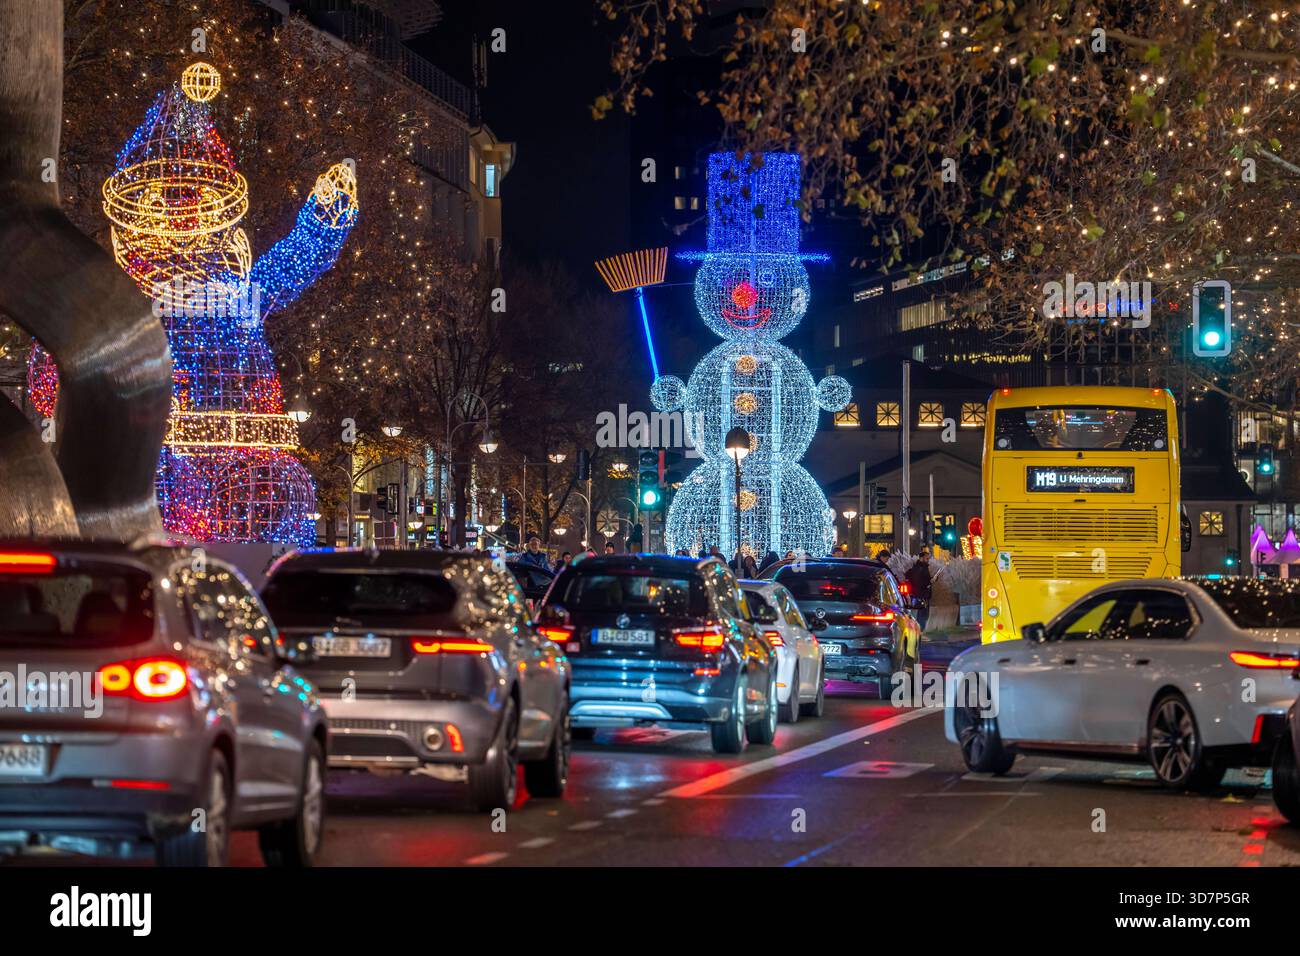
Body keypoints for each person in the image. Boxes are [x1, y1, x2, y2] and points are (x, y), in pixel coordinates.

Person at [904, 549, 933, 631]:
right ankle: (919, 632)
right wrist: (929, 582)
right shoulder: (919, 568)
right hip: (921, 595)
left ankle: (919, 631)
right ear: (921, 558)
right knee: (922, 616)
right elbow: (919, 582)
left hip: (924, 595)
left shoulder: (923, 568)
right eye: (927, 558)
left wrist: (931, 580)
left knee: (924, 615)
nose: (928, 560)